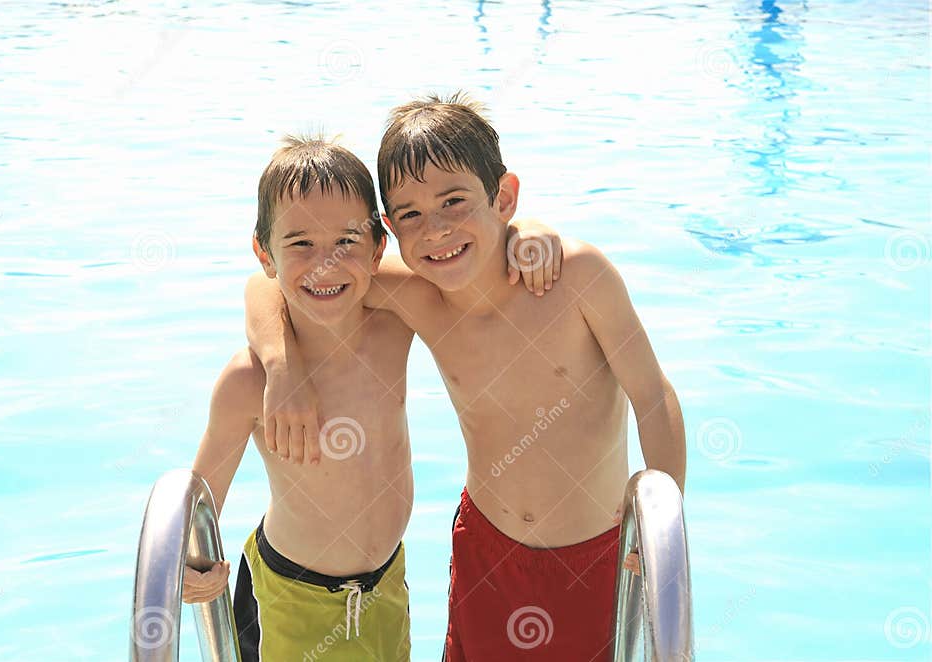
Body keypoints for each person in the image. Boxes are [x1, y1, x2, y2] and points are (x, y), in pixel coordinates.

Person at [244, 93, 686, 660]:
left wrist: (662, 526)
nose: (436, 231)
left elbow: (652, 392)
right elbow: (274, 280)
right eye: (410, 215)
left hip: (596, 554)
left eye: (455, 203)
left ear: (502, 197)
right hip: (487, 552)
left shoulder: (573, 277)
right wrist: (282, 369)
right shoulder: (416, 292)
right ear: (387, 230)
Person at [183, 134, 563, 661]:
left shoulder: (392, 324)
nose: (325, 265)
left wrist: (528, 229)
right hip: (292, 598)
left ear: (378, 246)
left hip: (385, 585)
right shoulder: (250, 382)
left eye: (346, 242)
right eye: (301, 245)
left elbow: (469, 259)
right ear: (264, 253)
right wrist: (191, 570)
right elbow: (199, 500)